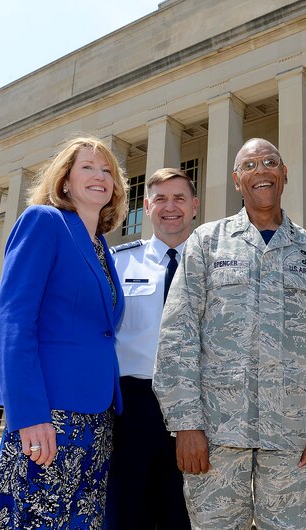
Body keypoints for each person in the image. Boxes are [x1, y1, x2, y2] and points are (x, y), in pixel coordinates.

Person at [153, 138, 306, 530]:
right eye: (250, 165)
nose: (261, 170)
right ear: (236, 179)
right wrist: (185, 424)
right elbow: (178, 335)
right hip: (217, 435)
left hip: (293, 439)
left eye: (270, 162)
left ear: (285, 173)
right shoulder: (206, 243)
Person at [0, 136, 128, 529]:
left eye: (108, 172)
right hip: (49, 414)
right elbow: (13, 320)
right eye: (88, 167)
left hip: (97, 418)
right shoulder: (43, 221)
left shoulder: (102, 247)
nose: (100, 177)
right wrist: (29, 414)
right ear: (65, 180)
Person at [106, 168, 198, 530]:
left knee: (185, 516)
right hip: (134, 407)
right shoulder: (118, 262)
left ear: (195, 205)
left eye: (179, 198)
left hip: (196, 410)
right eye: (160, 199)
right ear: (146, 207)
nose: (170, 207)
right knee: (127, 514)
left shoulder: (216, 266)